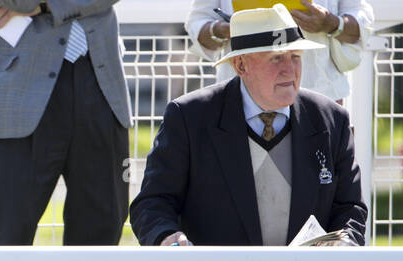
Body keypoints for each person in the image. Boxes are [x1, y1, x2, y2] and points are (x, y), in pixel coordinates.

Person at [129, 4, 367, 247]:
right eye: (276, 58)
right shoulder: (189, 118)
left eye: (295, 57)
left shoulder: (332, 120)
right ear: (240, 65)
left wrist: (343, 246)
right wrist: (169, 238)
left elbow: (350, 208)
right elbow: (152, 203)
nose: (290, 70)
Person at [0, 1, 132, 245]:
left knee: (102, 223)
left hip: (101, 79)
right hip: (17, 81)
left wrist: (47, 5)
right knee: (7, 228)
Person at [187, 0, 374, 103]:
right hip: (241, 97)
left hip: (321, 92)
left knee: (326, 172)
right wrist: (223, 29)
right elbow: (198, 23)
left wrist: (331, 23)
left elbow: (362, 21)